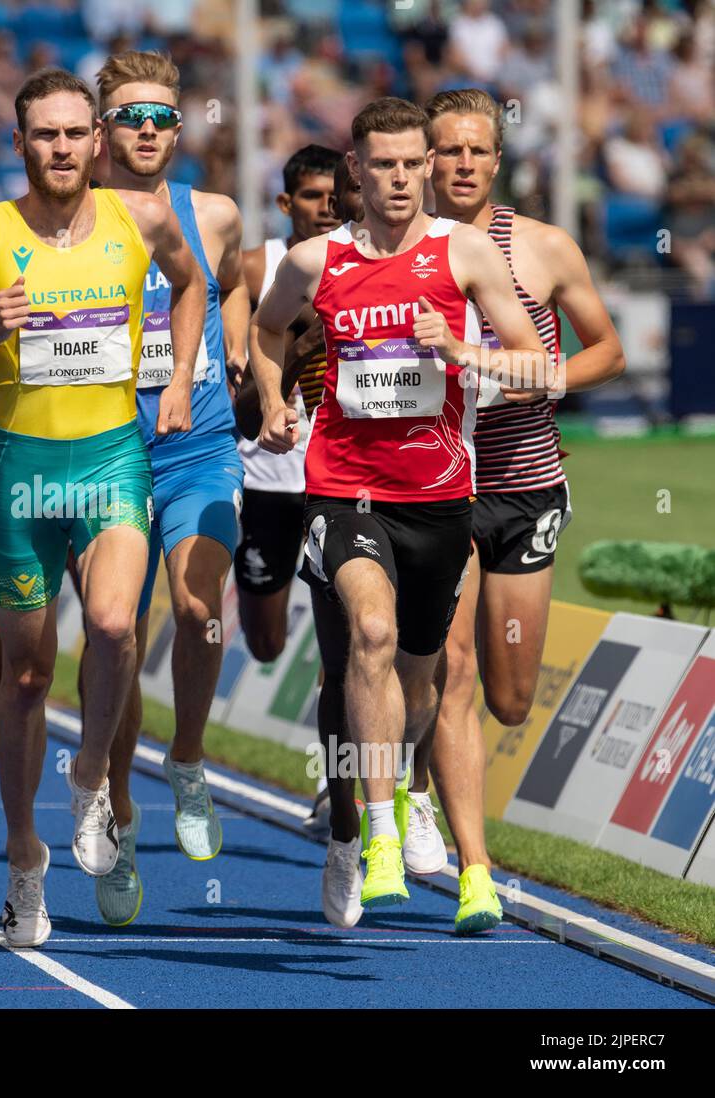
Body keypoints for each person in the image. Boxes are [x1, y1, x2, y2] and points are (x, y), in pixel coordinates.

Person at [0, 68, 205, 947]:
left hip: (112, 457)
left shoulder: (142, 218)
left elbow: (192, 286)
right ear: (21, 145)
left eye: (77, 134)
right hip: (23, 474)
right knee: (26, 679)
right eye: (46, 135)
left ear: (99, 142)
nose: (64, 149)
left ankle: (88, 783)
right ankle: (22, 860)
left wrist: (181, 375)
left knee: (115, 627)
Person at [250, 97, 551, 919]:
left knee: (421, 685)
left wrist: (461, 350)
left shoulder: (466, 256)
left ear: (427, 167)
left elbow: (538, 366)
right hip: (344, 487)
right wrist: (275, 398)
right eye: (380, 164)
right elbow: (265, 329)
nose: (397, 178)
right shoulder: (317, 261)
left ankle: (376, 817)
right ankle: (378, 834)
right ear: (356, 169)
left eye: (411, 164)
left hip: (442, 500)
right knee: (369, 635)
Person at [421, 89, 625, 934]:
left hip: (526, 482)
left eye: (477, 151)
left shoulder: (541, 247)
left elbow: (607, 350)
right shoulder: (402, 249)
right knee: (454, 668)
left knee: (508, 697)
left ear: (496, 162)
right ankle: (474, 865)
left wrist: (546, 378)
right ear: (425, 157)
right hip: (439, 486)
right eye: (447, 151)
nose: (462, 164)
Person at [86, 50, 245, 926]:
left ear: (179, 129)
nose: (147, 130)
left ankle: (187, 759)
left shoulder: (213, 214)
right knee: (114, 639)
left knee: (197, 607)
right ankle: (119, 814)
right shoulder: (67, 218)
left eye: (161, 117)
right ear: (103, 128)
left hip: (199, 446)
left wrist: (252, 361)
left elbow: (235, 296)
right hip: (105, 452)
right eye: (130, 116)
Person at [234, 145, 342, 836]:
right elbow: (243, 396)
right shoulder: (255, 267)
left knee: (348, 639)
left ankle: (339, 789)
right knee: (268, 643)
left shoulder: (369, 264)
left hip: (340, 482)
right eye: (310, 196)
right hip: (267, 478)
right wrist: (296, 349)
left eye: (335, 195)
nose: (326, 207)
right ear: (286, 204)